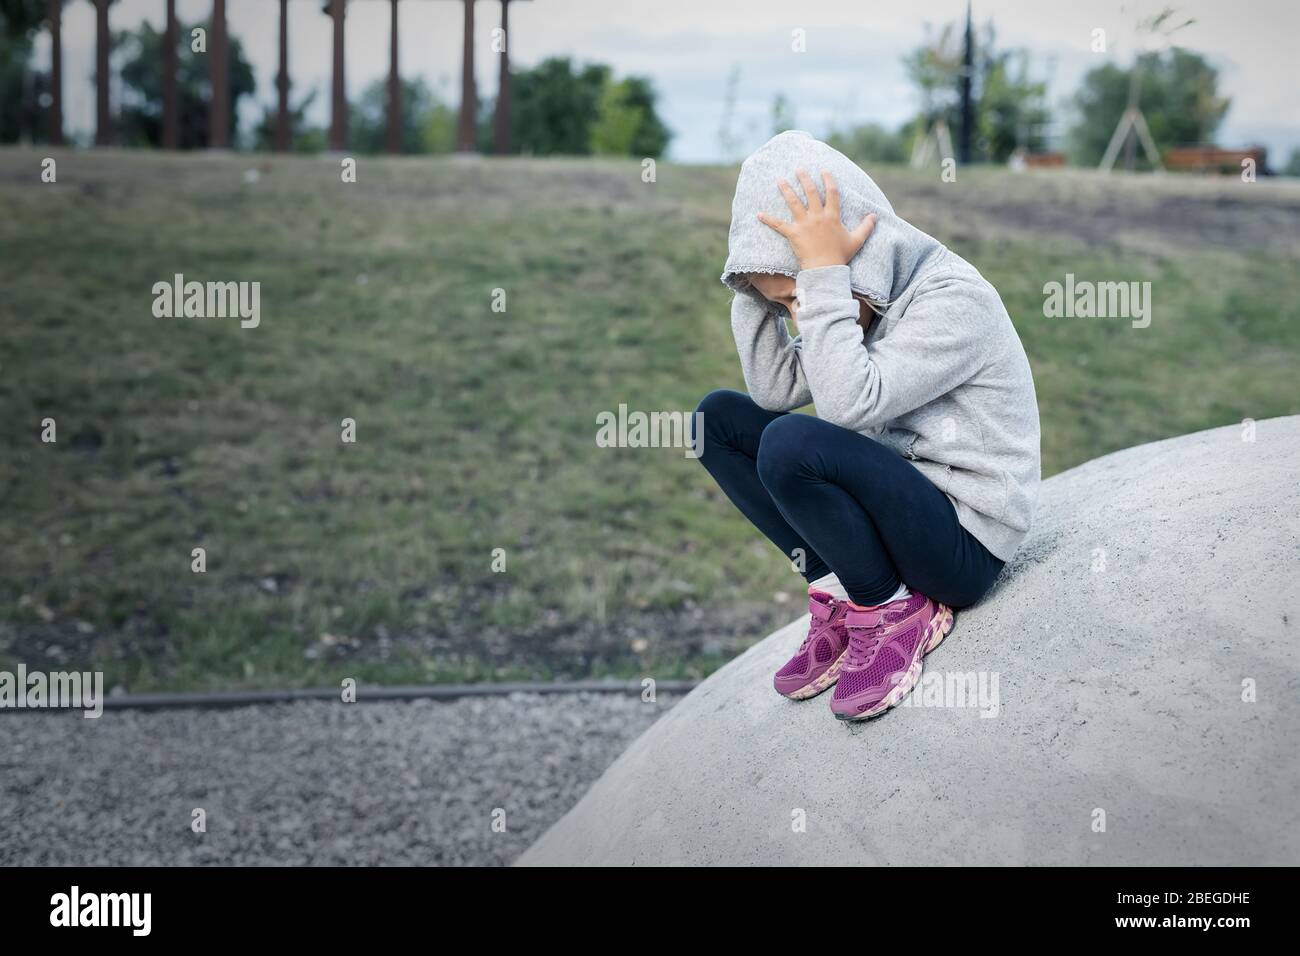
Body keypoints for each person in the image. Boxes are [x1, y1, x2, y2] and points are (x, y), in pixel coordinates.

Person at [694, 132, 1040, 721]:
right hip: (897, 517)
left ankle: (893, 610)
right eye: (787, 307)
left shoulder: (955, 300)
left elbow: (849, 406)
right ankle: (839, 589)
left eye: (798, 300)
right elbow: (774, 390)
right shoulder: (854, 297)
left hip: (961, 547)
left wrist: (820, 272)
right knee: (717, 420)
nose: (799, 316)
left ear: (859, 253)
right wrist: (759, 279)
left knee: (791, 443)